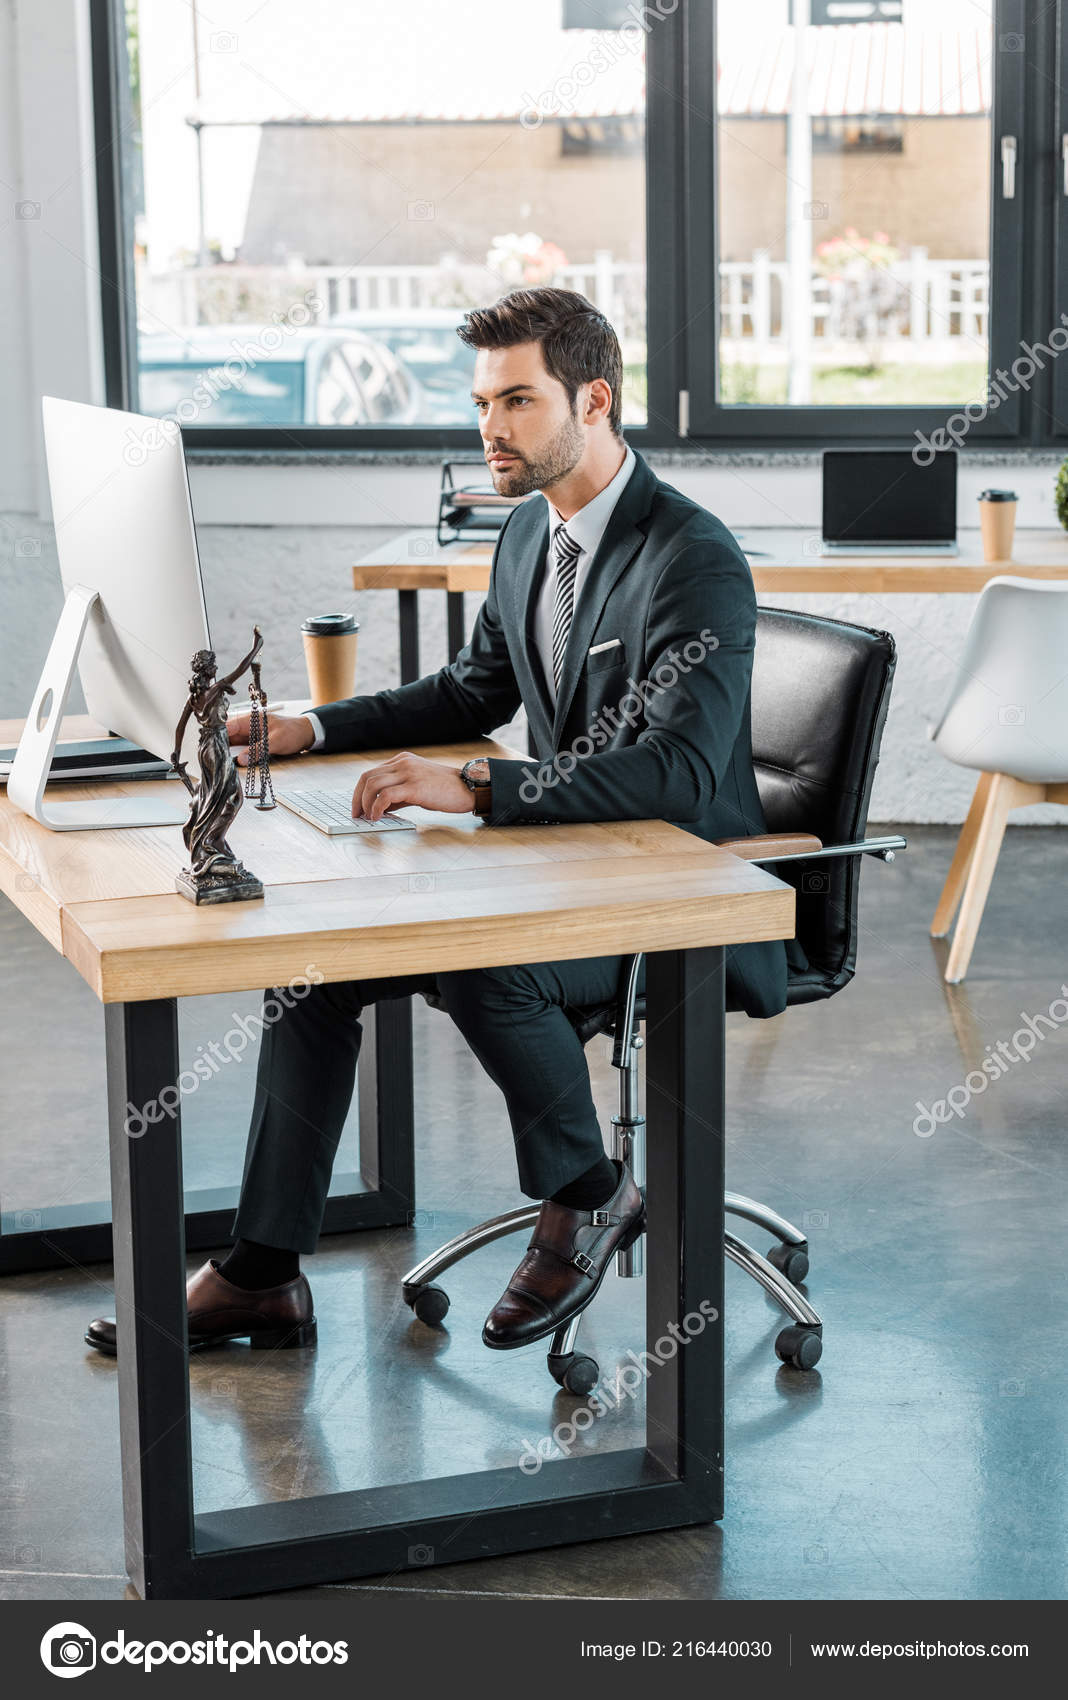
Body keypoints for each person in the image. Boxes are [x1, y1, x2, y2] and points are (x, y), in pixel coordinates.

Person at [86, 286, 803, 1361]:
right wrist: (310, 726)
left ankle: (592, 1191)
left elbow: (684, 773)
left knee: (480, 958)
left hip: (688, 897)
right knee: (319, 970)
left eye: (518, 399)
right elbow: (469, 693)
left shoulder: (689, 557)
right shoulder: (529, 533)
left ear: (594, 398)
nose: (490, 427)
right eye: (482, 401)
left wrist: (477, 789)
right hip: (573, 868)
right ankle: (262, 1273)